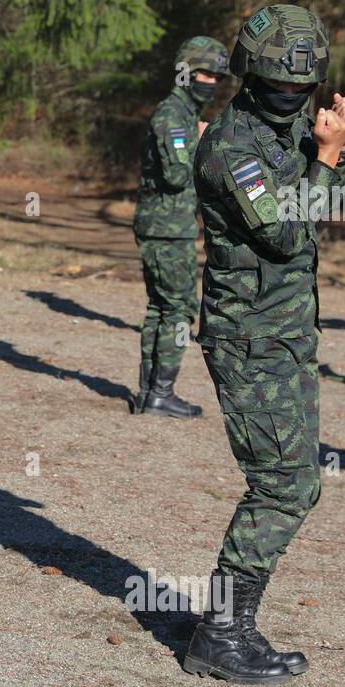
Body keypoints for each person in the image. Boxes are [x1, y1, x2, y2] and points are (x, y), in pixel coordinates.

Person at [185, 4, 345, 684]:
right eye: (280, 86)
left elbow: (316, 213)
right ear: (248, 74)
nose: (293, 97)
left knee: (298, 483)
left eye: (304, 87)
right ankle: (219, 632)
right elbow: (286, 235)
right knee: (283, 484)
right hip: (249, 338)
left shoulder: (285, 127)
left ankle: (236, 624)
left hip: (286, 332)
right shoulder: (233, 148)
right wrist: (329, 155)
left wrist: (330, 151)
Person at [131, 36, 229, 417]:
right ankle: (159, 392)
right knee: (178, 310)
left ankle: (151, 392)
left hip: (168, 226)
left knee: (161, 308)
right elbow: (174, 175)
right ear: (186, 71)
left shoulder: (182, 114)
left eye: (217, 76)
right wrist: (202, 145)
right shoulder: (173, 115)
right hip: (167, 228)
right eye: (205, 73)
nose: (212, 82)